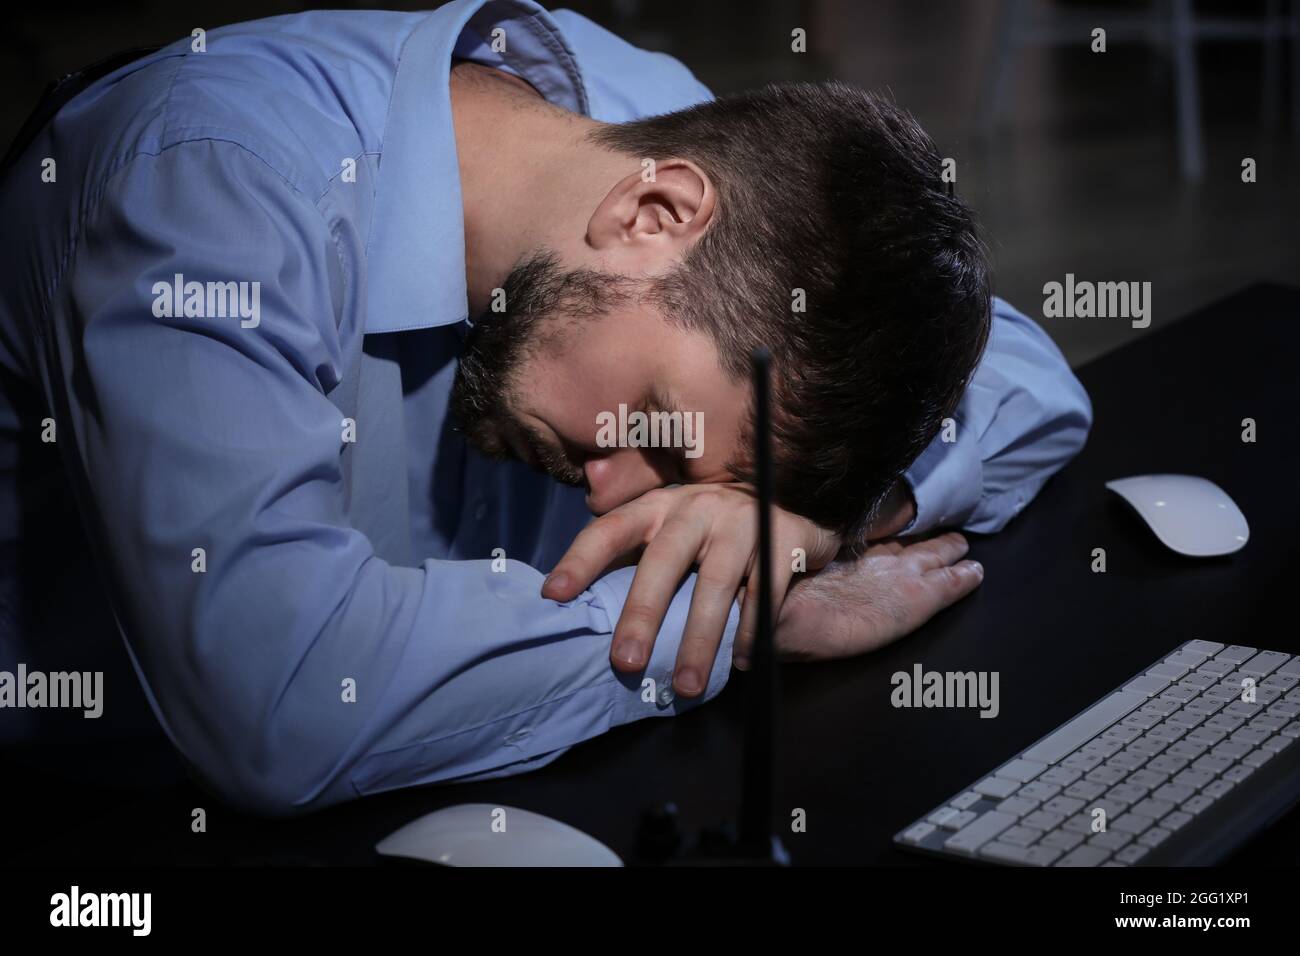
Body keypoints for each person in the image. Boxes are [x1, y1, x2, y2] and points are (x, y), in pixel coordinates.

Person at [0, 0, 1092, 815]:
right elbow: (274, 698)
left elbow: (1031, 377)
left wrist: (804, 523)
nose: (621, 500)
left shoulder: (637, 152)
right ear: (653, 211)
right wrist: (726, 623)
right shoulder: (212, 179)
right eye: (659, 427)